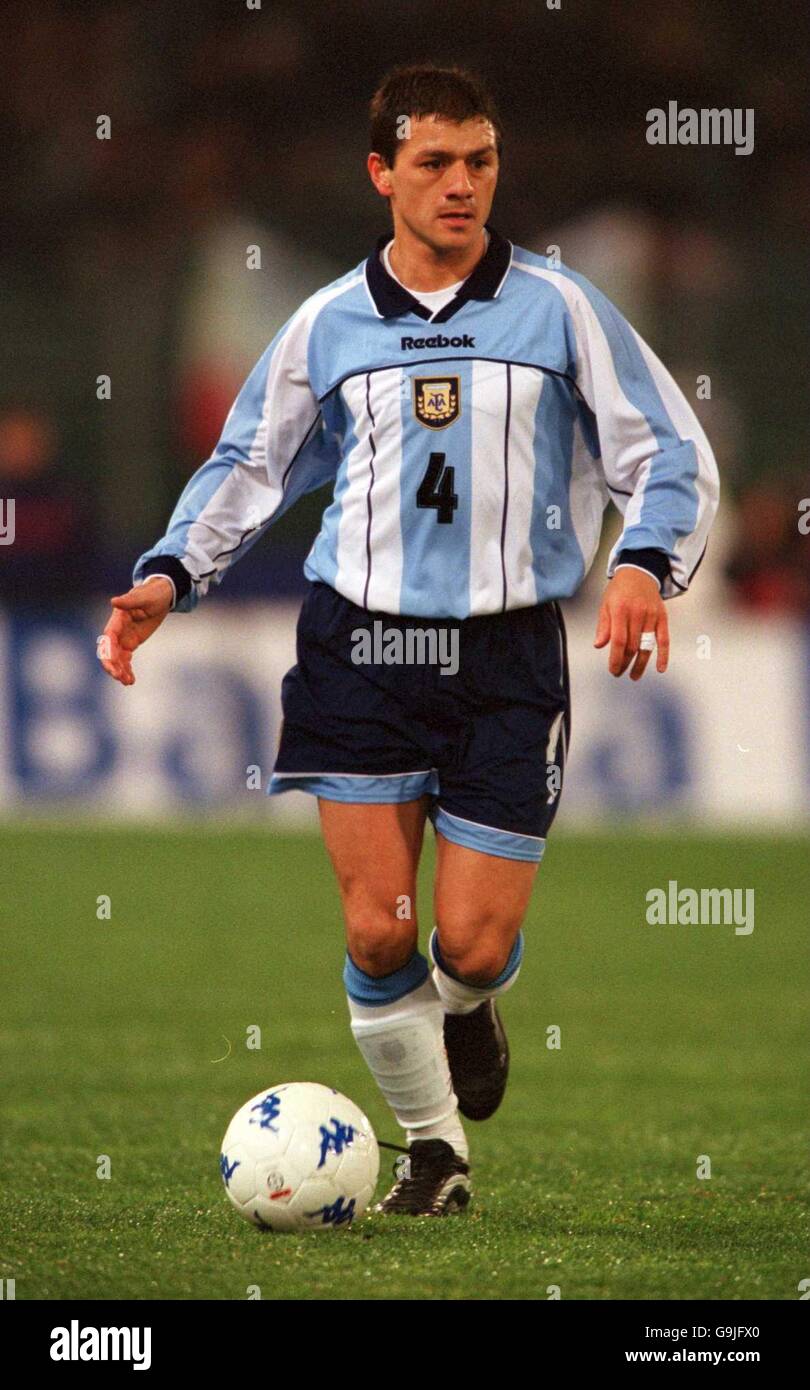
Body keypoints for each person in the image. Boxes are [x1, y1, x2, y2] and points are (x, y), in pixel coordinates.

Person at [99, 64, 719, 1217]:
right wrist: (170, 574)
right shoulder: (327, 322)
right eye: (434, 162)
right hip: (357, 646)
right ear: (382, 171)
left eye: (480, 161)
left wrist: (641, 564)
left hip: (505, 655)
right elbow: (252, 464)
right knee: (377, 932)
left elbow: (667, 452)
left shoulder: (562, 307)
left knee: (469, 947)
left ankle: (474, 1008)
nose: (461, 184)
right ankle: (434, 1154)